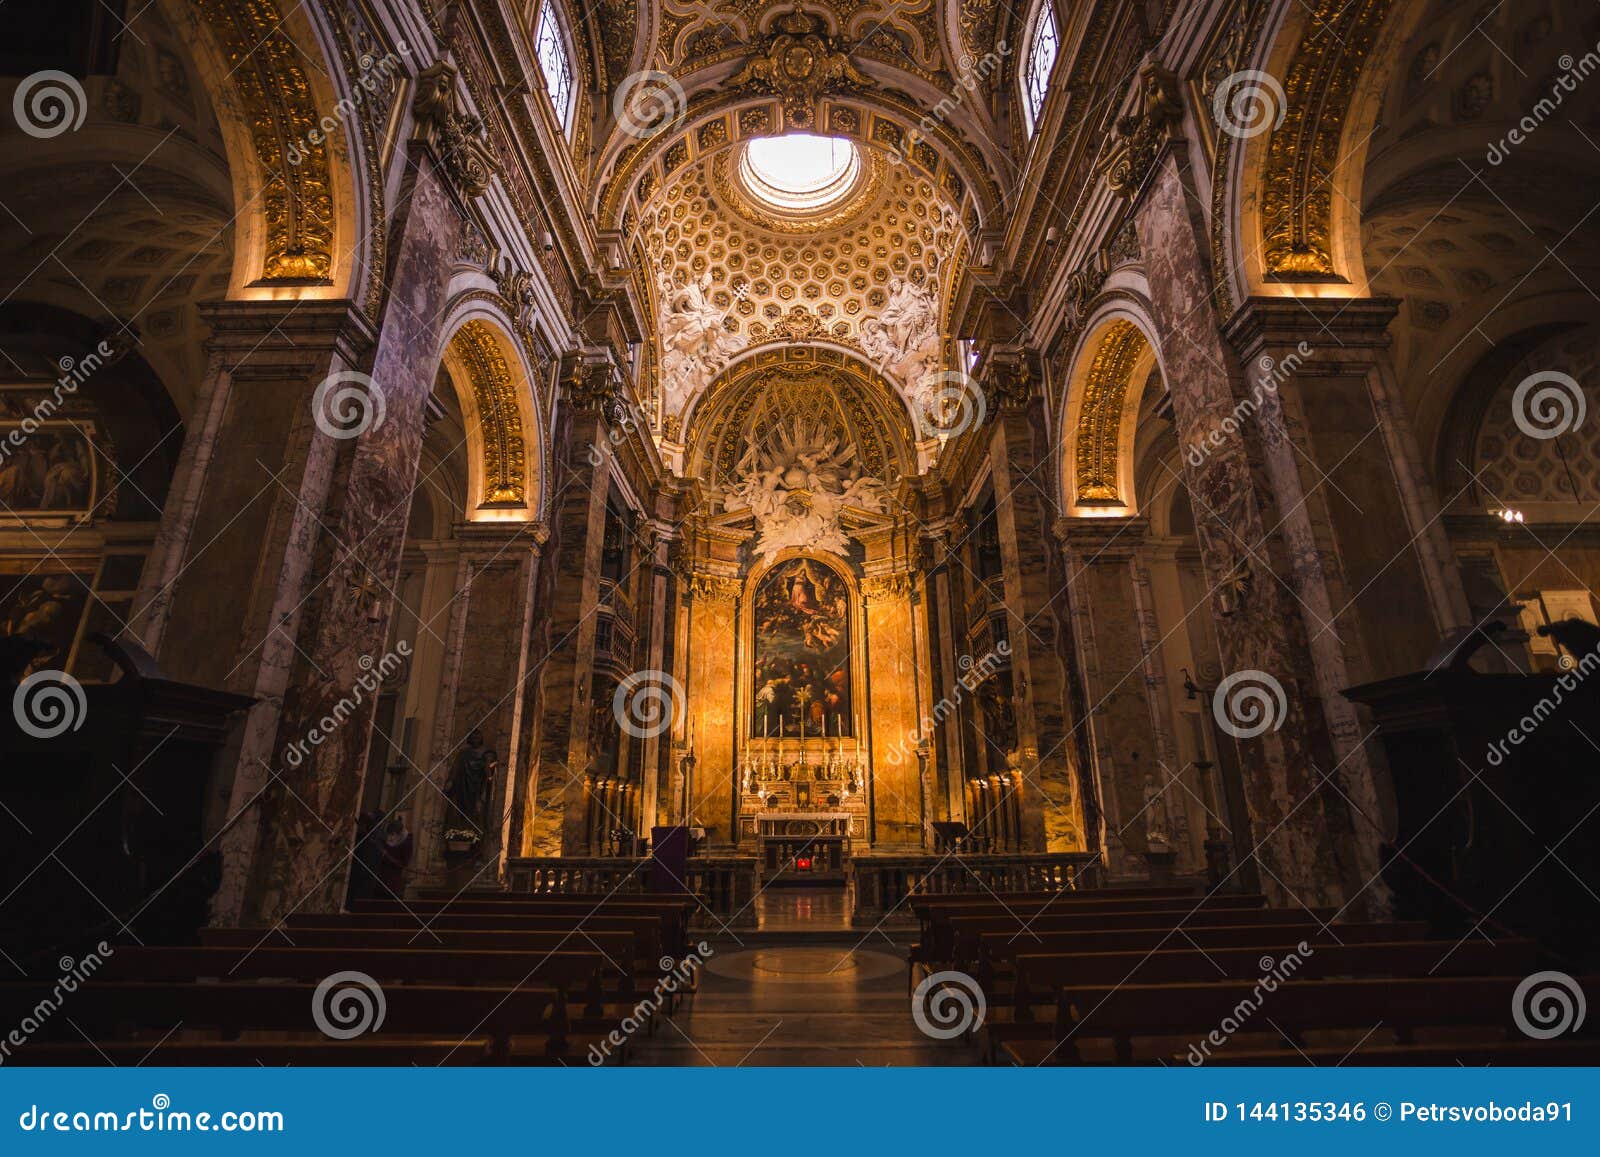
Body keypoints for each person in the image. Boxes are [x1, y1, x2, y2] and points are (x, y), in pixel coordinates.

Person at [445, 731, 497, 832]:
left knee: (477, 809)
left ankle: (475, 833)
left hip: (478, 786)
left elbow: (490, 769)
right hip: (463, 784)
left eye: (478, 737)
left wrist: (488, 767)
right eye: (473, 738)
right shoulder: (464, 753)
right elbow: (456, 766)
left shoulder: (486, 752)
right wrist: (451, 780)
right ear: (470, 739)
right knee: (460, 809)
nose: (475, 740)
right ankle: (460, 830)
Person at [376, 815, 412, 897]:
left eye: (393, 834)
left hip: (392, 882)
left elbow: (403, 864)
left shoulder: (407, 843)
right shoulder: (387, 839)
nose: (390, 837)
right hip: (380, 878)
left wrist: (386, 856)